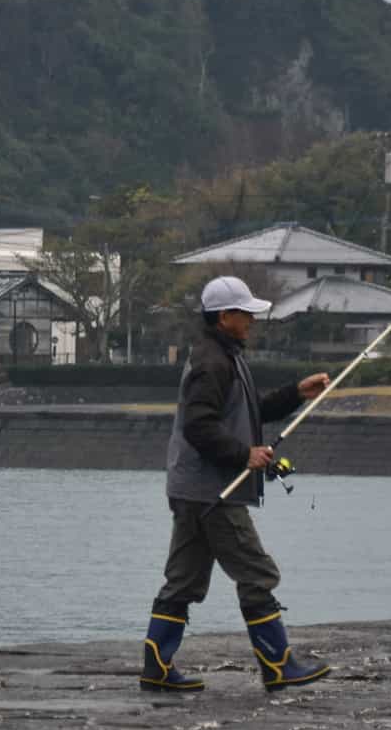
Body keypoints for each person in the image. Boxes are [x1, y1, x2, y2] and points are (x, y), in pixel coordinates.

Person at [140, 275, 333, 693]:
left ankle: (156, 668)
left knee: (184, 580)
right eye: (245, 313)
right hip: (213, 493)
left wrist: (297, 393)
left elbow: (251, 412)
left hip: (192, 490)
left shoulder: (224, 357)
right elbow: (199, 426)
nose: (251, 320)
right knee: (257, 572)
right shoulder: (212, 363)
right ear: (223, 316)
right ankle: (279, 665)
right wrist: (244, 455)